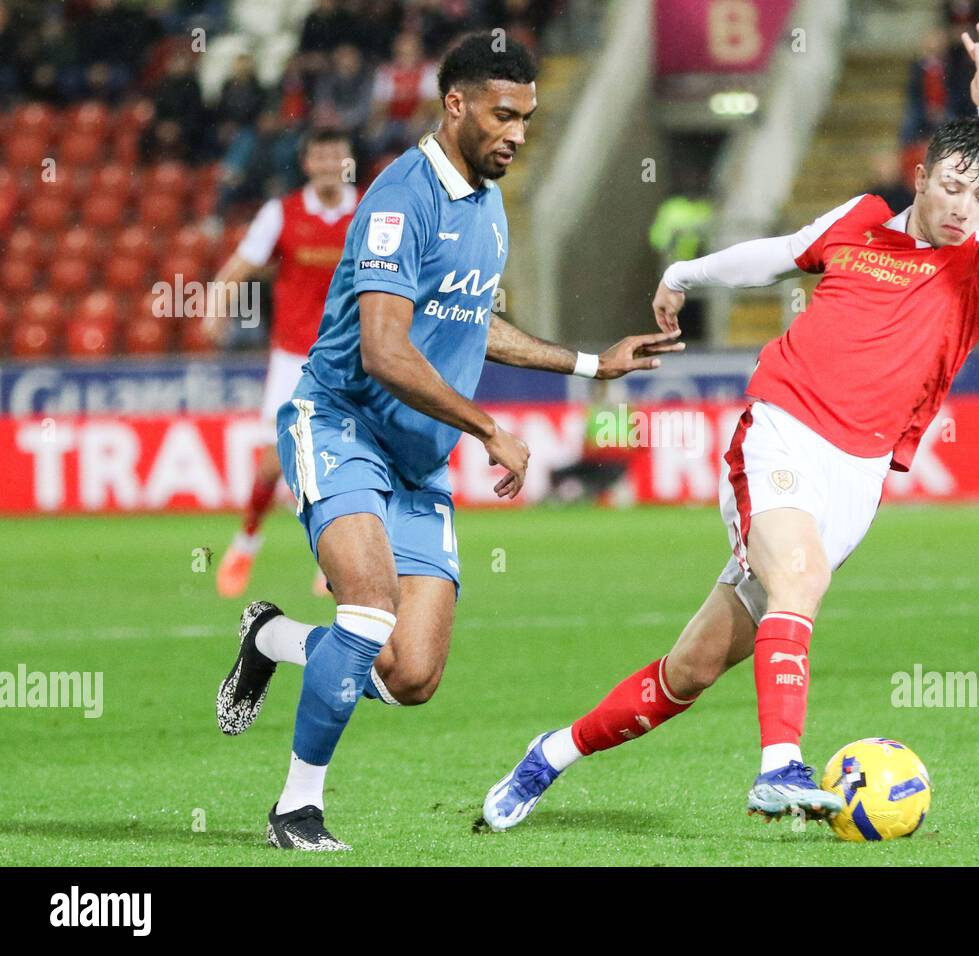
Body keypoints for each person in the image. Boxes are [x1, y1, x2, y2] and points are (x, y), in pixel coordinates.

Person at [482, 24, 979, 831]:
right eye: (954, 188)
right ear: (920, 179)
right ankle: (779, 767)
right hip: (781, 430)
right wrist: (685, 272)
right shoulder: (859, 220)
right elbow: (778, 254)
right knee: (800, 578)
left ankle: (551, 754)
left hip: (856, 477)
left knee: (692, 668)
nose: (968, 209)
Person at [212, 33, 683, 850]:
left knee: (411, 676)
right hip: (340, 425)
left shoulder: (489, 205)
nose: (517, 134)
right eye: (504, 115)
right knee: (366, 610)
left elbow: (474, 322)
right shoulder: (401, 198)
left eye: (528, 119)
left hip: (418, 459)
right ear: (455, 104)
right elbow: (383, 350)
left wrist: (584, 362)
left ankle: (271, 637)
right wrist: (491, 427)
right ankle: (296, 808)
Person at [206, 128, 360, 599]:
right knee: (276, 463)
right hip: (294, 356)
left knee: (351, 460)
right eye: (320, 155)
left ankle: (335, 561)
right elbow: (242, 265)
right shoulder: (281, 213)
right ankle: (246, 540)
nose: (330, 163)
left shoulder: (370, 210)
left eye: (337, 154)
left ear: (348, 161)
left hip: (353, 356)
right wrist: (216, 305)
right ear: (308, 163)